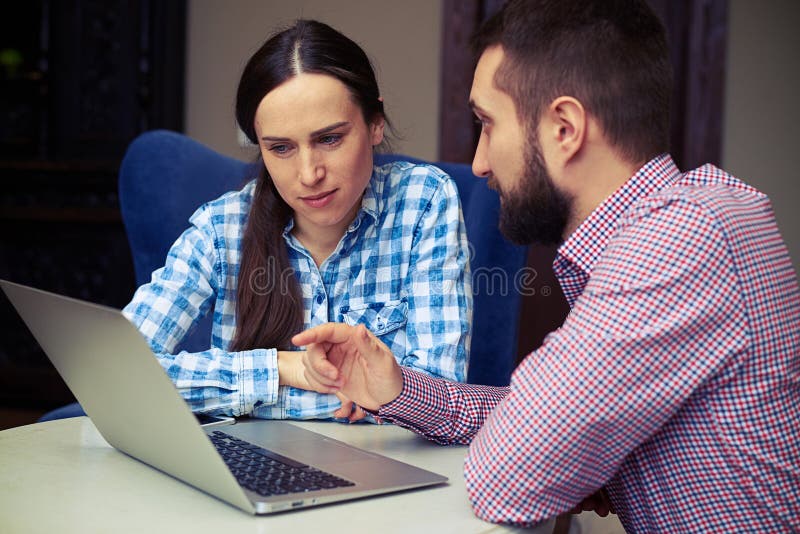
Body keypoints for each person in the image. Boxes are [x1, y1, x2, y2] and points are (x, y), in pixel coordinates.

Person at [292, 0, 800, 531]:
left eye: (487, 124)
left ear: (564, 128)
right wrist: (398, 392)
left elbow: (507, 479)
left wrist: (568, 456)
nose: (480, 162)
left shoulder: (674, 246)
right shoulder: (697, 213)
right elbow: (537, 420)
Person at [122, 20, 472, 422]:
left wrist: (248, 393)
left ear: (375, 123)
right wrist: (284, 369)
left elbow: (440, 395)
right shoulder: (223, 227)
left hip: (382, 466)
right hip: (250, 465)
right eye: (281, 148)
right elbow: (120, 371)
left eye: (329, 139)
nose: (308, 174)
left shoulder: (423, 201)